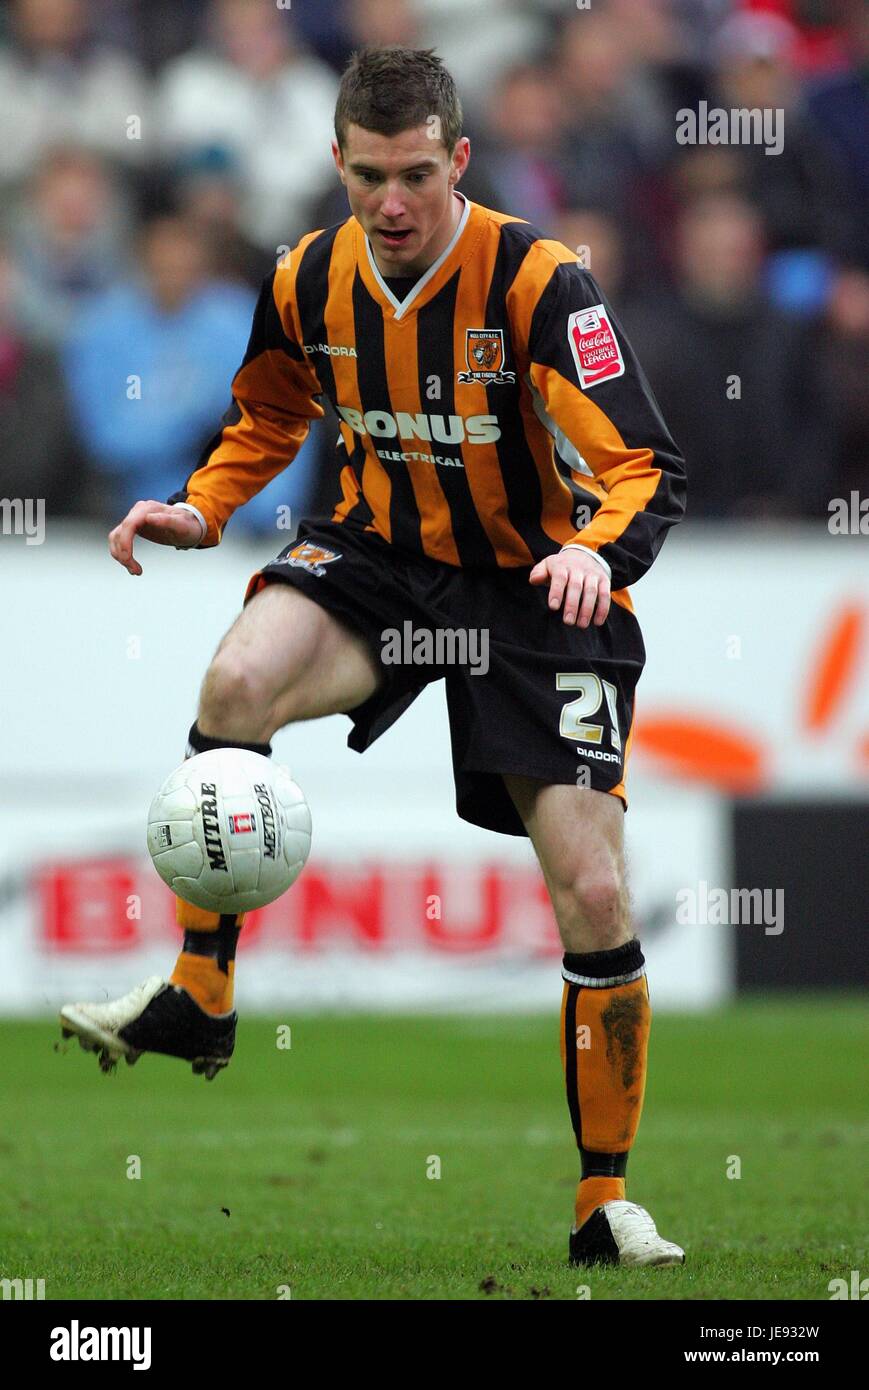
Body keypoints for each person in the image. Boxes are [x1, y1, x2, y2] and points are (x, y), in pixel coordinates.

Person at [60, 46, 687, 1270]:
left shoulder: (540, 283)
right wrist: (203, 503)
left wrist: (599, 557)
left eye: (412, 176)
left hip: (534, 585)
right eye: (364, 178)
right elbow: (270, 415)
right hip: (380, 557)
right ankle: (202, 991)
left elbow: (643, 467)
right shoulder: (306, 277)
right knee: (236, 680)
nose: (389, 205)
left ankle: (600, 1203)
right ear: (334, 163)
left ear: (456, 160)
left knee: (596, 892)